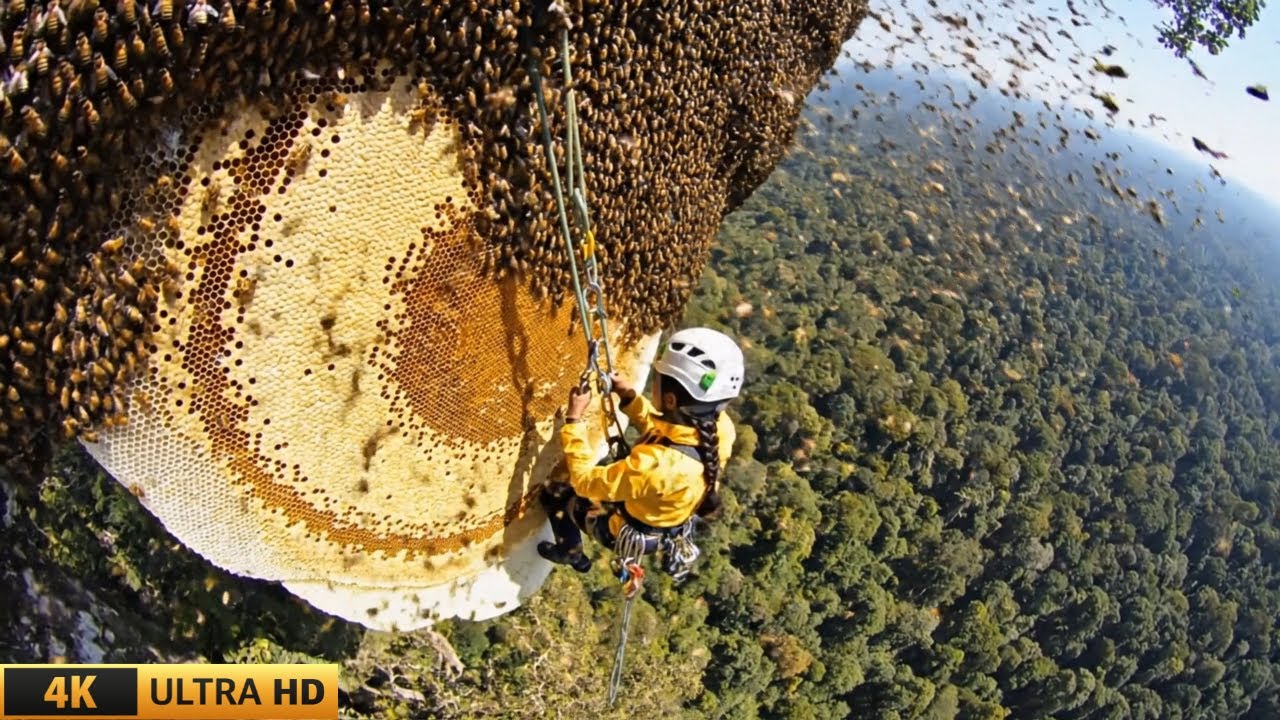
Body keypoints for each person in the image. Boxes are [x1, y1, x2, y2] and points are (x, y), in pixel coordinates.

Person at [538, 327, 745, 577]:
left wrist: (573, 421)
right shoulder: (721, 429)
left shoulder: (657, 466)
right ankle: (575, 553)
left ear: (670, 401)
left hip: (620, 528)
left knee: (556, 494)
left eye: (658, 378)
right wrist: (629, 398)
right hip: (662, 519)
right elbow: (665, 431)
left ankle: (571, 553)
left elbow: (583, 481)